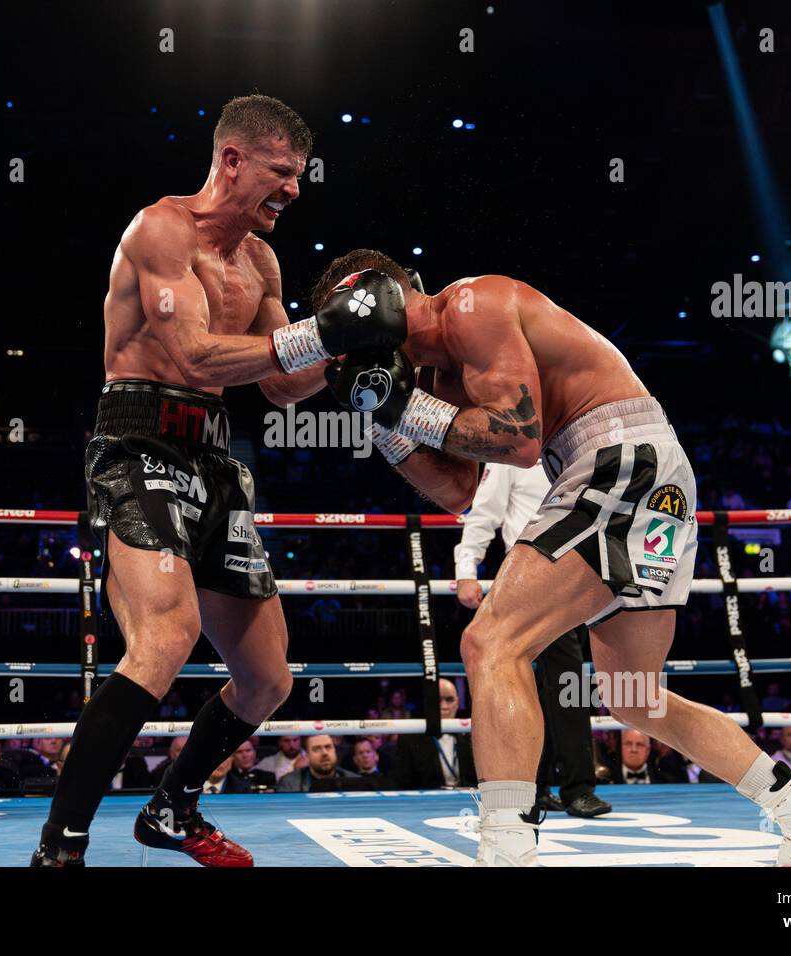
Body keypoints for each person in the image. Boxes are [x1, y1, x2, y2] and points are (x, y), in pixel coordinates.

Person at [316, 249, 791, 867]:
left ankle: (505, 851)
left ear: (380, 299)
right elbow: (461, 493)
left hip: (618, 459)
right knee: (635, 697)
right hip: (643, 477)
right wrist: (384, 420)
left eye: (348, 330)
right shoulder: (440, 381)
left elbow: (519, 440)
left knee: (490, 642)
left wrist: (403, 406)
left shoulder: (474, 303)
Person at [32, 94, 410, 867]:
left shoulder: (262, 262)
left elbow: (279, 383)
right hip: (138, 444)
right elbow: (197, 357)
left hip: (214, 457)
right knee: (164, 637)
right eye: (281, 171)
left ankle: (172, 806)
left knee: (269, 678)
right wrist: (323, 333)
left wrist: (350, 364)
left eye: (300, 176)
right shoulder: (161, 230)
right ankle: (60, 848)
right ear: (232, 160)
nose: (295, 189)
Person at [455, 461, 610, 818]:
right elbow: (485, 512)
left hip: (578, 579)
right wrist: (467, 569)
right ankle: (574, 789)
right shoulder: (512, 454)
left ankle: (540, 787)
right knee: (557, 680)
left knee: (549, 685)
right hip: (528, 581)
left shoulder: (580, 451)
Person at [391, 678, 477, 789]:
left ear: (457, 703)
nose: (444, 706)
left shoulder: (472, 736)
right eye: (437, 700)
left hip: (467, 802)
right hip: (427, 804)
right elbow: (403, 784)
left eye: (449, 700)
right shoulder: (409, 739)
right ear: (428, 703)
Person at [276, 735, 360, 792]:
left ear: (335, 751)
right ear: (307, 756)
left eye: (328, 747)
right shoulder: (289, 784)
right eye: (316, 749)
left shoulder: (355, 781)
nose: (324, 753)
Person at [608, 729, 685, 784]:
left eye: (639, 745)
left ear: (648, 750)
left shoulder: (667, 782)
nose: (634, 750)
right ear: (620, 748)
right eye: (628, 744)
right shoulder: (605, 781)